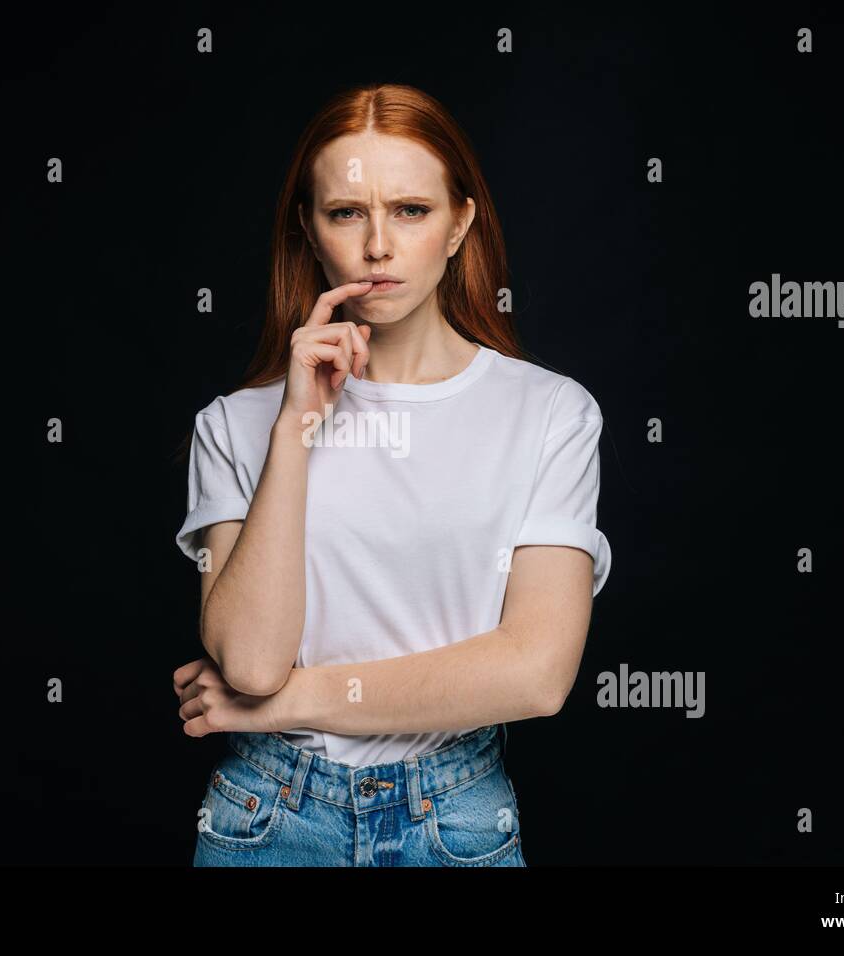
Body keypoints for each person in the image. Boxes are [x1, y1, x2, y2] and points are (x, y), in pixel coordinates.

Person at [173, 83, 611, 866]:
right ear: (309, 231)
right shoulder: (236, 424)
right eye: (347, 213)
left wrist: (296, 701)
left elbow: (537, 674)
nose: (379, 246)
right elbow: (248, 661)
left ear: (459, 225)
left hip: (455, 817)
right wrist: (296, 428)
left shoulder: (551, 414)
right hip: (268, 817)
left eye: (411, 210)